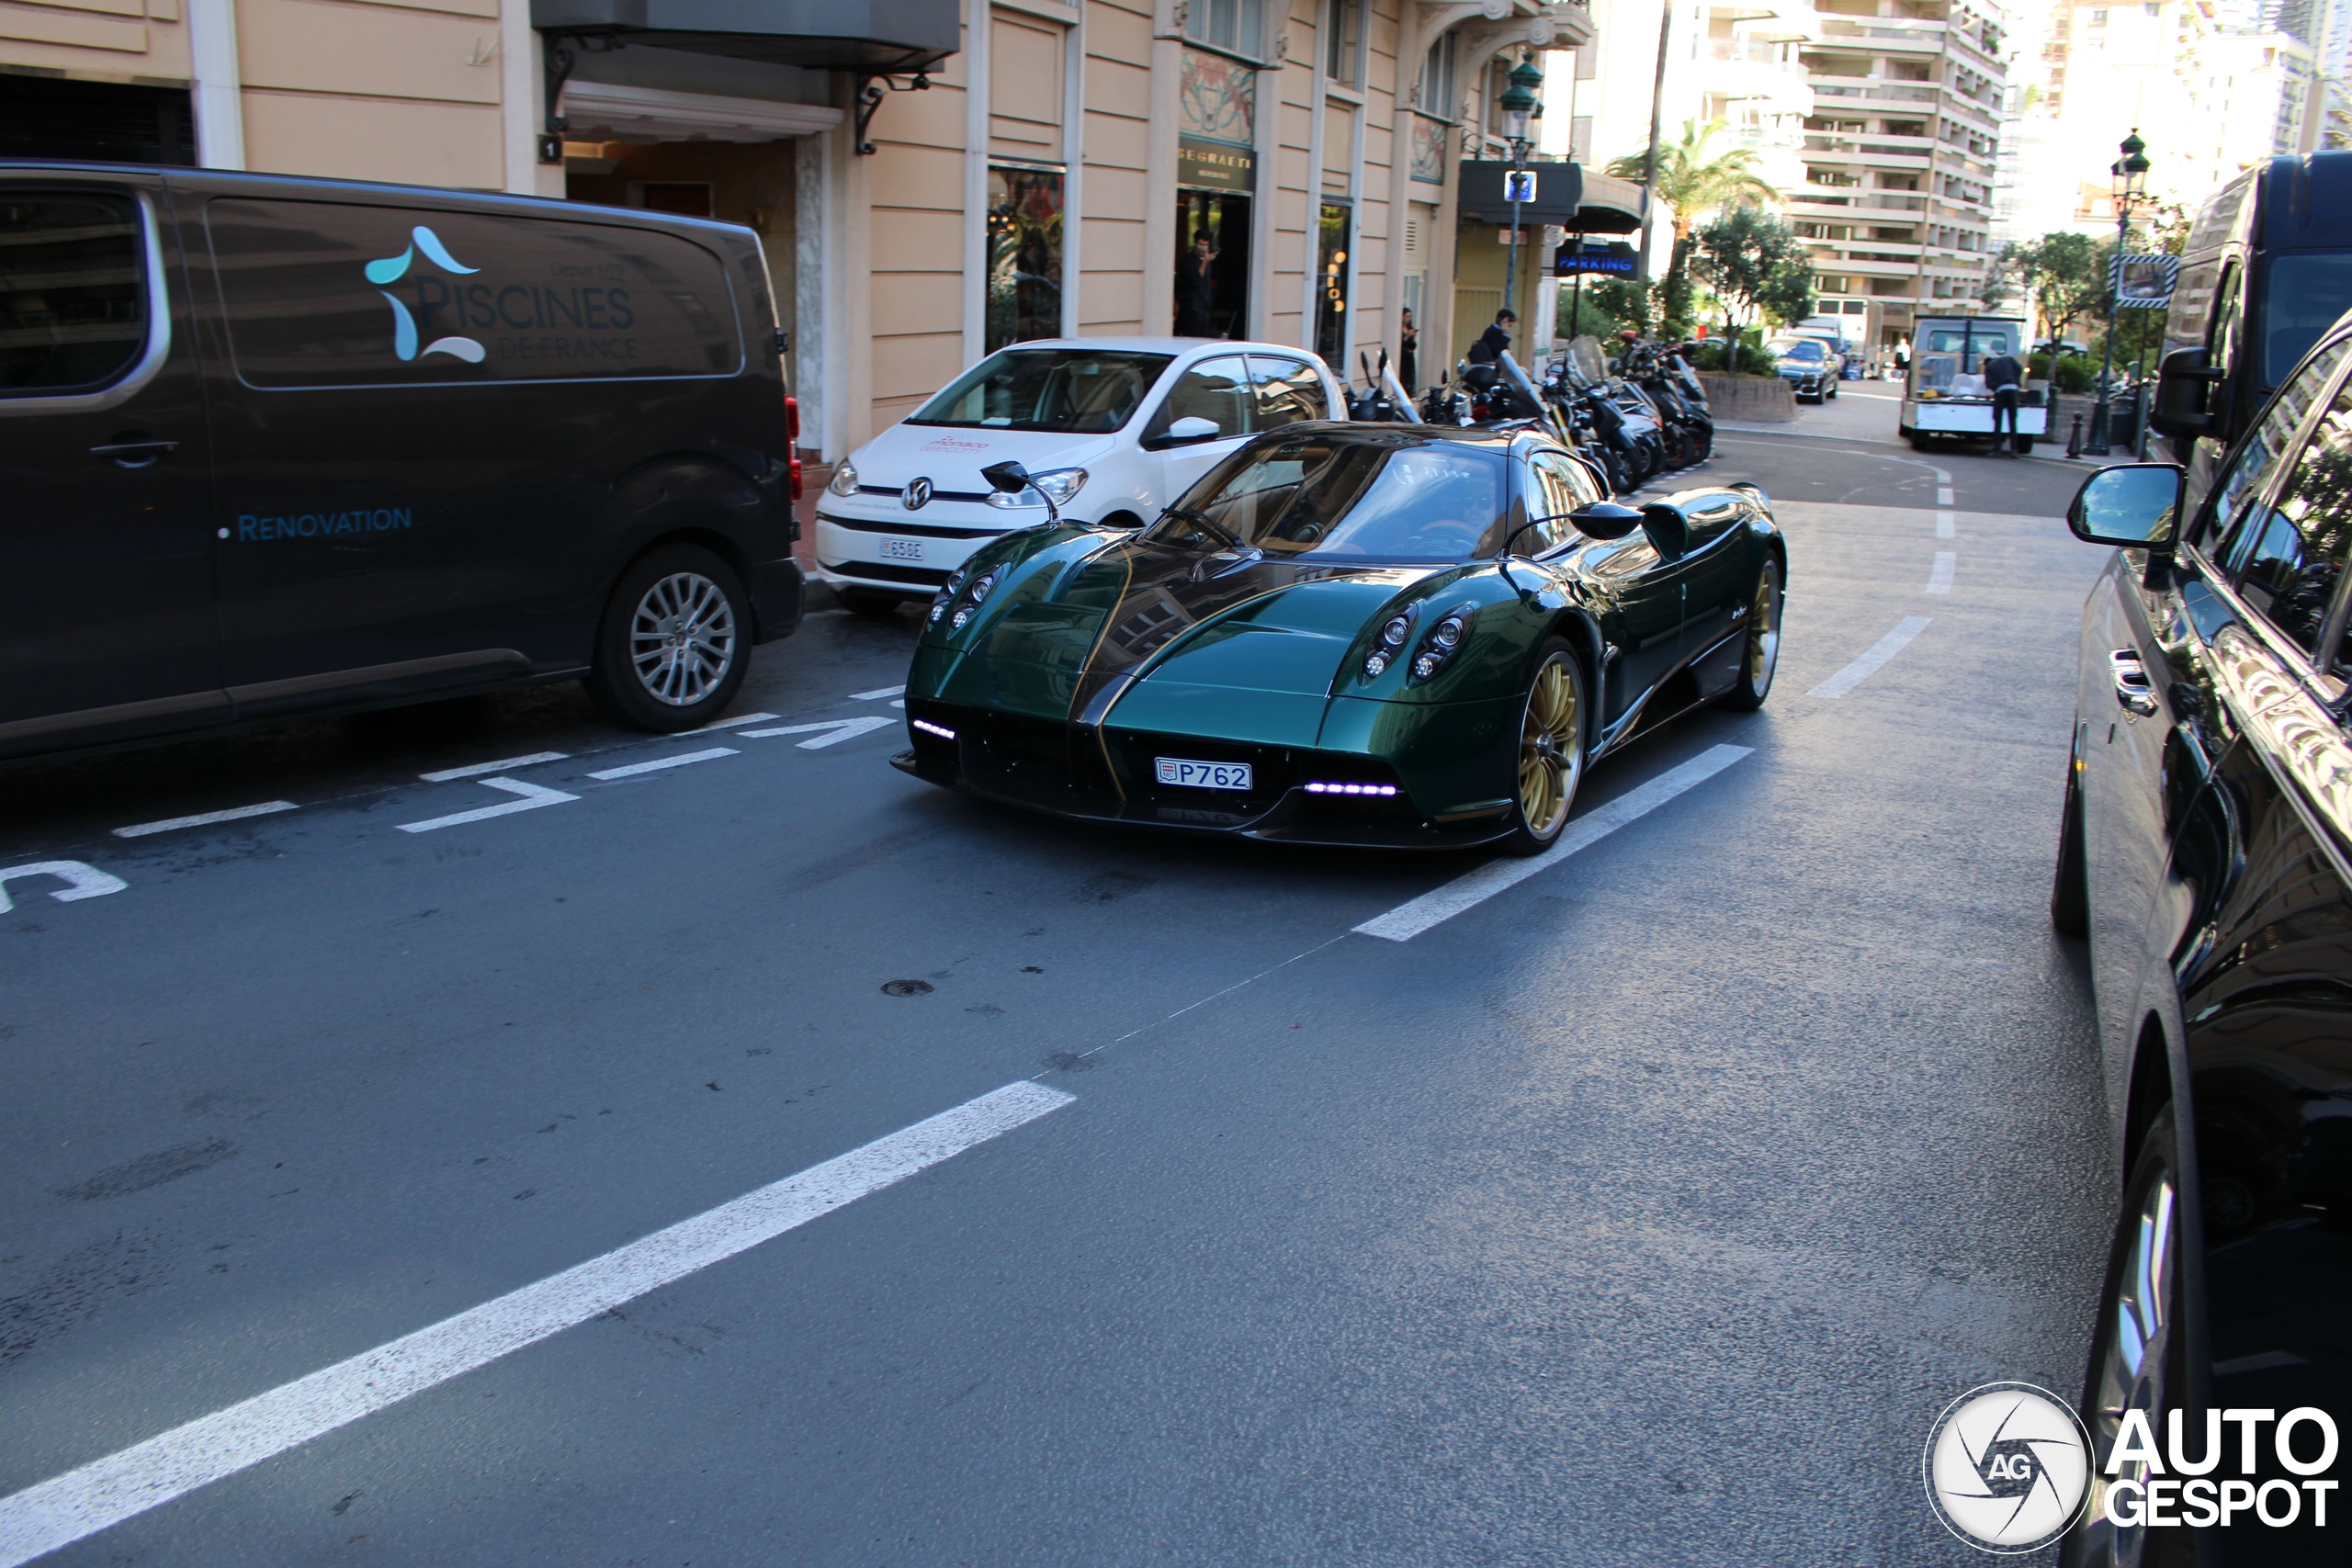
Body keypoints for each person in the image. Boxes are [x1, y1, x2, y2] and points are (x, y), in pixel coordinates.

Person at [1983, 344, 2024, 455]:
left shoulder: (1989, 366)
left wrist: (1995, 387)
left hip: (2000, 392)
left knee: (1998, 420)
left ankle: (1997, 449)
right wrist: (2015, 380)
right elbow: (2019, 369)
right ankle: (2014, 450)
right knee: (2012, 421)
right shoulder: (2009, 359)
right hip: (2013, 390)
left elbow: (1988, 384)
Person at [1175, 232, 1217, 337]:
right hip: (1192, 310)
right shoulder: (1187, 259)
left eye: (1206, 245)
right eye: (1201, 244)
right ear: (1195, 243)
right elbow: (1195, 281)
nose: (1203, 248)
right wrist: (1204, 263)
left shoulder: (1208, 262)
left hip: (1205, 309)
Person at [1397, 307, 1419, 390]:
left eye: (1410, 317)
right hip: (1402, 356)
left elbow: (1412, 347)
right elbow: (1400, 344)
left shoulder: (1410, 328)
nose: (1408, 319)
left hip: (1409, 356)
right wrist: (1406, 336)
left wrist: (1413, 338)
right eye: (1407, 316)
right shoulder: (1399, 329)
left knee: (1409, 378)